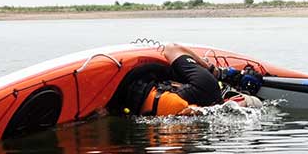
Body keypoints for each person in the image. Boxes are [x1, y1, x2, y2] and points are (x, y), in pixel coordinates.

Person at [110, 43, 264, 117]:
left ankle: (217, 72)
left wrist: (210, 69)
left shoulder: (207, 87)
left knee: (171, 49)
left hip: (203, 88)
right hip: (149, 109)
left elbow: (171, 48)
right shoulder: (209, 112)